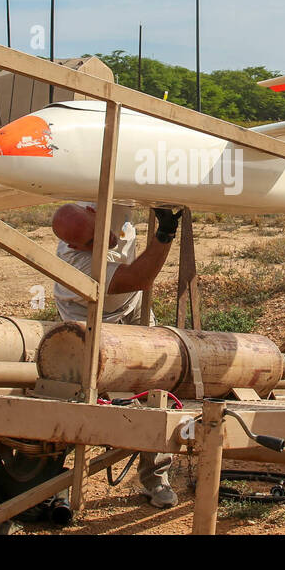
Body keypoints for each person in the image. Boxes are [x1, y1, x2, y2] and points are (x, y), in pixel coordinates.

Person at [51, 201, 184, 508]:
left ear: (95, 212)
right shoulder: (75, 262)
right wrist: (164, 233)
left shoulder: (112, 202)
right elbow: (139, 277)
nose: (103, 242)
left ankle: (156, 476)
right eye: (89, 244)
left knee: (155, 381)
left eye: (99, 232)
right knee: (77, 393)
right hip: (93, 318)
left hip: (130, 305)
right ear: (73, 245)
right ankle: (52, 480)